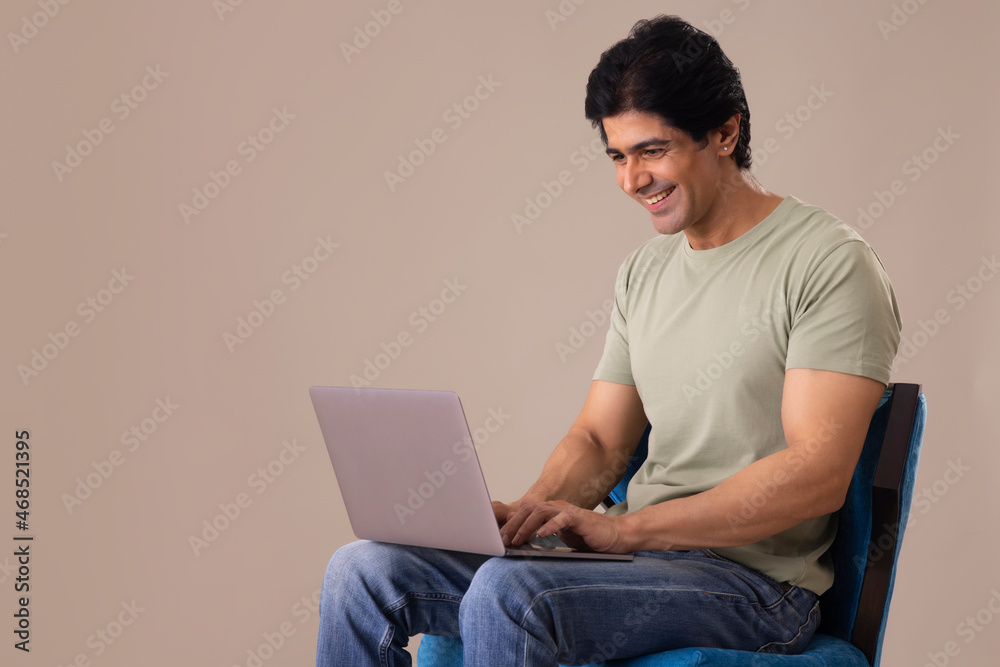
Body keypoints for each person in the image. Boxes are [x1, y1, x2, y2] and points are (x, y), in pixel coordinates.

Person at [317, 15, 901, 667]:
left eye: (652, 150)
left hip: (755, 587)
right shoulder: (645, 272)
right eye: (618, 156)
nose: (632, 179)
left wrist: (627, 526)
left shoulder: (827, 262)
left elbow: (816, 473)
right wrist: (533, 514)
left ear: (725, 131)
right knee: (362, 572)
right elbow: (600, 439)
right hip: (637, 563)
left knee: (513, 596)